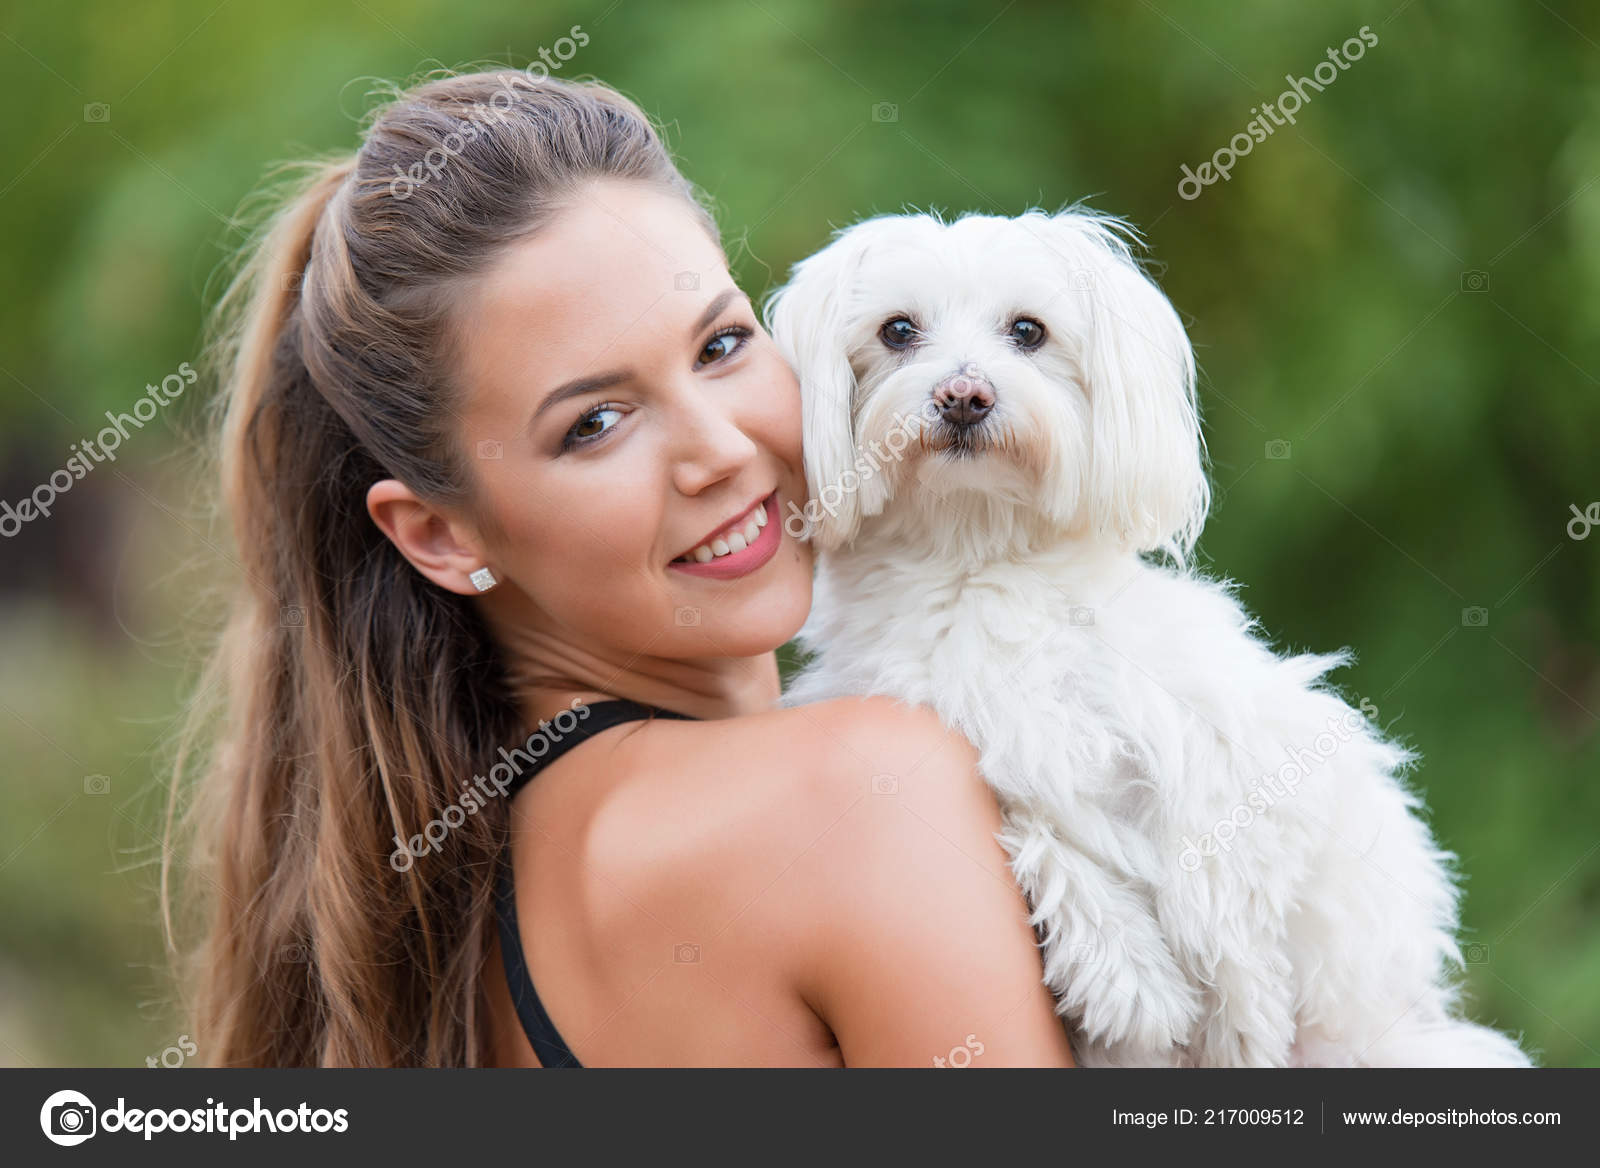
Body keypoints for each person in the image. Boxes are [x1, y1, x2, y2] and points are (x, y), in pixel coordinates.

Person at [165, 69, 1074, 1068]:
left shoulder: (461, 918)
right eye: (595, 423)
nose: (719, 448)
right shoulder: (857, 794)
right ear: (441, 535)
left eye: (721, 345)